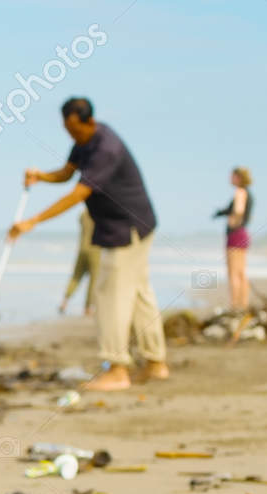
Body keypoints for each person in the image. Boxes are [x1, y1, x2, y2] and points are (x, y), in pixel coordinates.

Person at [9, 97, 168, 392]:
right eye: (66, 129)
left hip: (127, 230)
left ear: (89, 122)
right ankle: (156, 363)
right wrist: (41, 176)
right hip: (131, 226)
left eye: (74, 129)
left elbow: (78, 193)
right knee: (140, 293)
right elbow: (67, 173)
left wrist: (33, 221)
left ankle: (117, 369)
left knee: (109, 295)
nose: (71, 135)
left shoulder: (106, 148)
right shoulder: (84, 142)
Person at [216, 166, 252, 312]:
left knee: (233, 273)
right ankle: (243, 304)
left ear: (238, 177)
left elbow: (238, 211)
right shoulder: (248, 193)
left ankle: (235, 305)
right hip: (243, 234)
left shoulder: (240, 192)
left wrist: (232, 222)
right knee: (241, 272)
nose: (230, 179)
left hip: (236, 235)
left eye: (232, 176)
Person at [60, 207, 100, 315]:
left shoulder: (83, 215)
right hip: (95, 249)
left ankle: (64, 302)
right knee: (94, 279)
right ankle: (88, 307)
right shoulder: (99, 212)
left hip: (82, 248)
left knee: (76, 276)